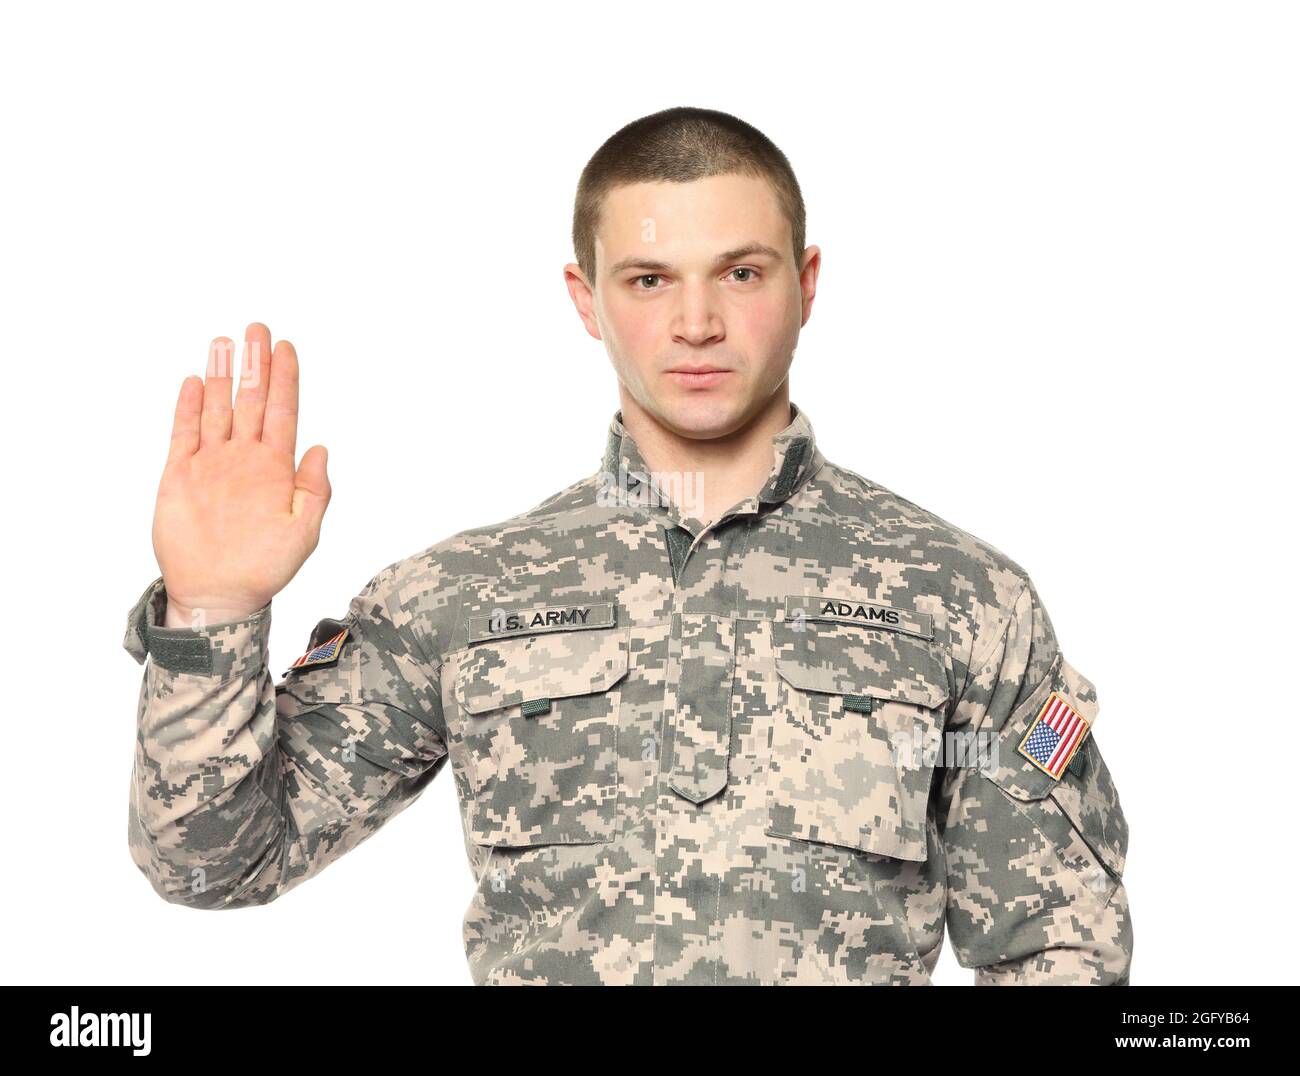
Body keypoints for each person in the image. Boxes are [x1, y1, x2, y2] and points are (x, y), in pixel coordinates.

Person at [123, 106, 1132, 985]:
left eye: (740, 272)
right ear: (584, 298)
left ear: (805, 281)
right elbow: (213, 862)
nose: (696, 322)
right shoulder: (457, 597)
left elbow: (1055, 944)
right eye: (649, 279)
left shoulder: (959, 595)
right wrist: (209, 613)